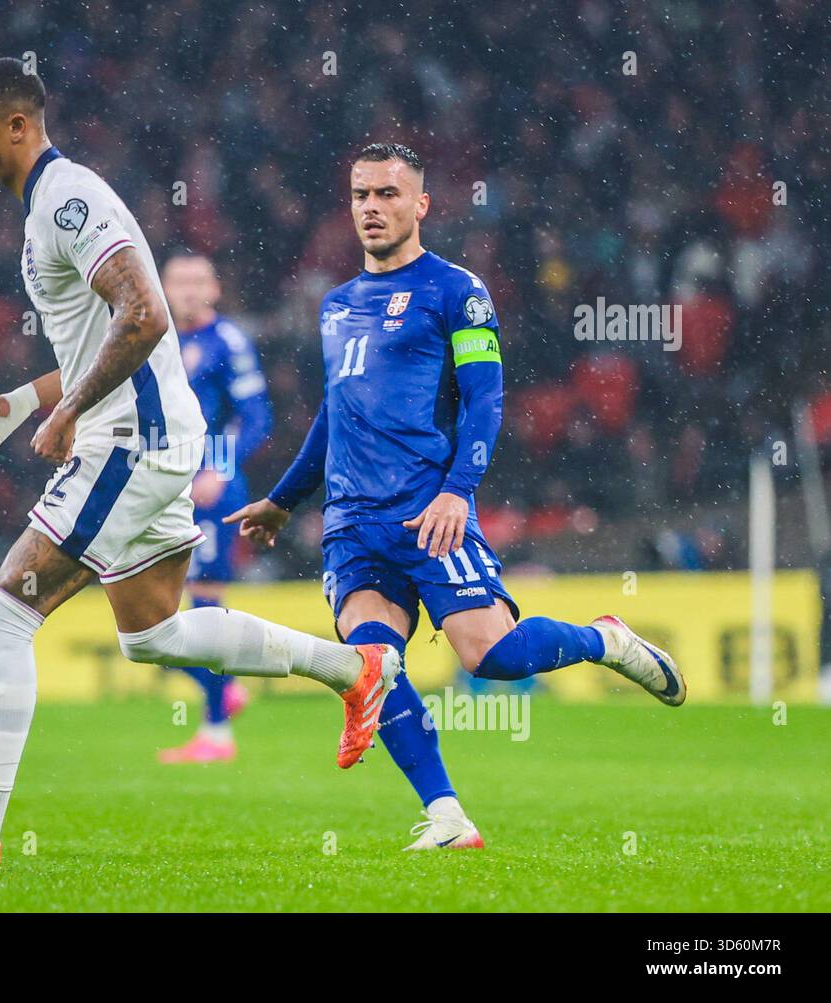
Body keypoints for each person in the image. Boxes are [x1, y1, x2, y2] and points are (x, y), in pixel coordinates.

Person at [0, 60, 400, 875]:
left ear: (19, 127)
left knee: (2, 613)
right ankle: (353, 667)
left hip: (132, 442)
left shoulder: (68, 200)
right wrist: (24, 401)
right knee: (154, 633)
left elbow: (147, 316)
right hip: (148, 438)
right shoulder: (48, 205)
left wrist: (70, 409)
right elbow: (101, 337)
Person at [226, 143, 686, 851]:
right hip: (351, 522)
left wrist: (457, 492)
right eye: (359, 195)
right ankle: (446, 813)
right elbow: (333, 413)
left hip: (427, 511)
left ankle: (606, 641)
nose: (371, 208)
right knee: (373, 665)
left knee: (491, 657)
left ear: (421, 205)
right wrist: (283, 500)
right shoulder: (337, 303)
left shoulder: (456, 291)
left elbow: (485, 400)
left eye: (386, 194)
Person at [155, 252, 272, 763]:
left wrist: (218, 469)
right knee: (148, 623)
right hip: (160, 488)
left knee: (202, 604)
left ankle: (216, 733)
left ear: (216, 289)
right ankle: (222, 688)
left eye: (197, 280)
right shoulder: (157, 341)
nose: (186, 289)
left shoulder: (227, 341)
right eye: (177, 280)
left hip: (209, 492)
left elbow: (255, 414)